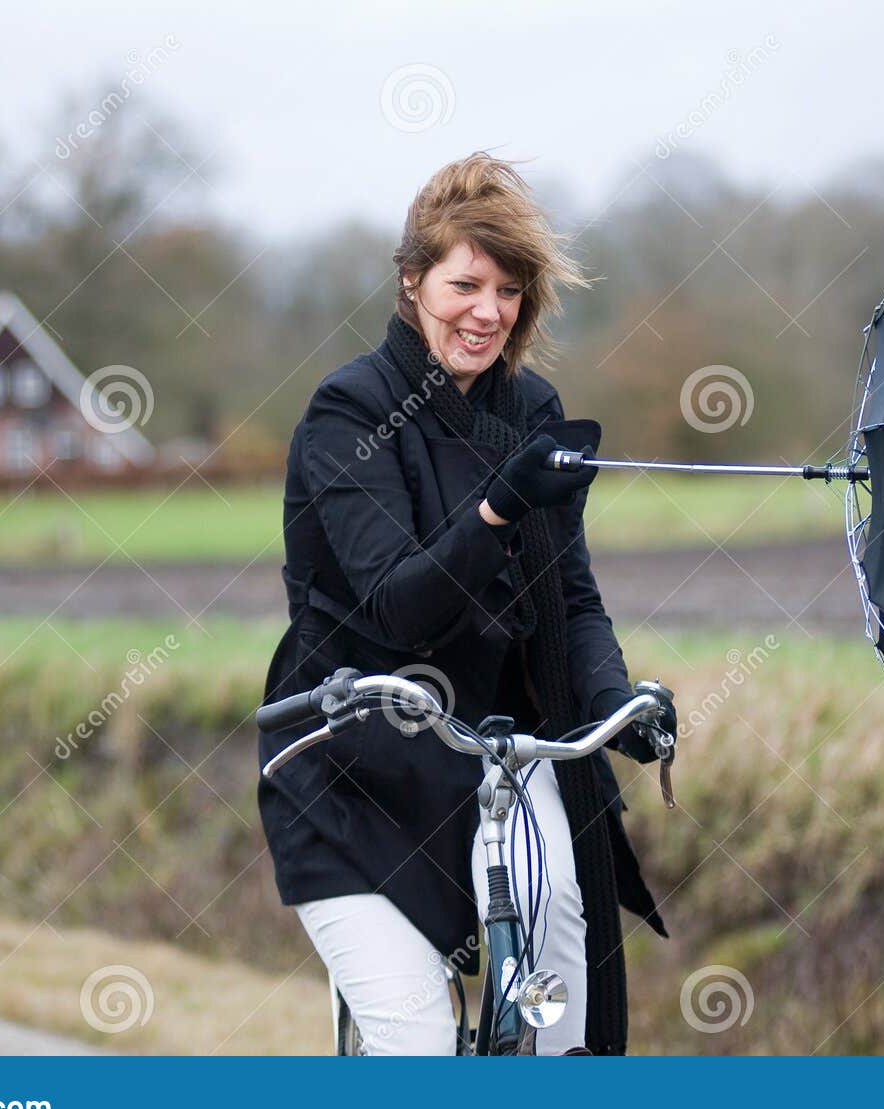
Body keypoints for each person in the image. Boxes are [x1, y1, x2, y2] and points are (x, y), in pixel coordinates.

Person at [256, 152, 676, 1055]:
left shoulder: (532, 411)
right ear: (413, 282)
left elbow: (571, 597)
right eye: (466, 283)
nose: (489, 311)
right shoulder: (348, 412)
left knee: (566, 1000)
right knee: (415, 1044)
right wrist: (498, 507)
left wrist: (612, 701)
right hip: (352, 763)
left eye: (511, 290)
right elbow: (401, 607)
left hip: (493, 756)